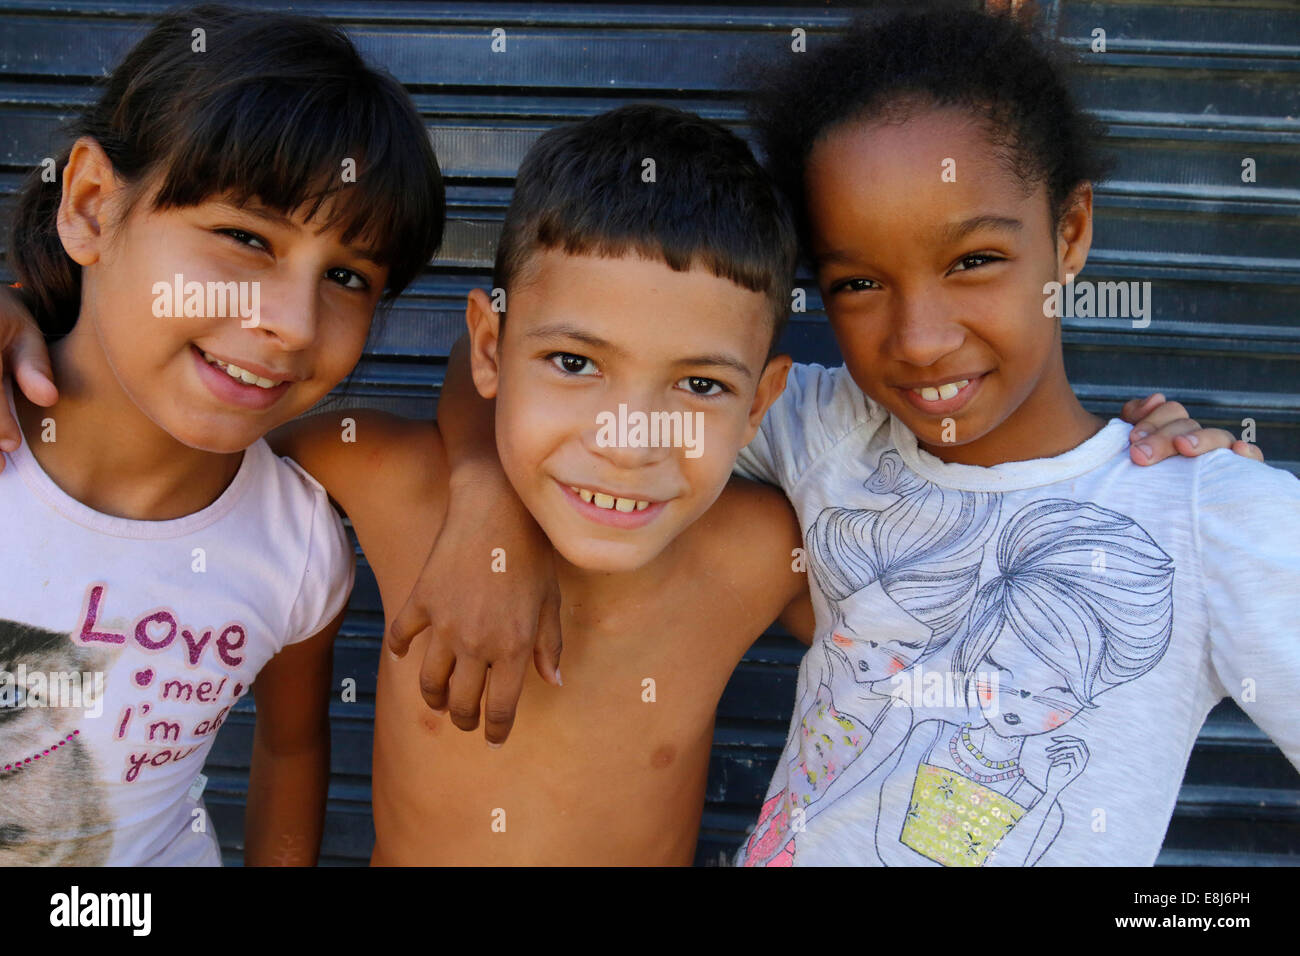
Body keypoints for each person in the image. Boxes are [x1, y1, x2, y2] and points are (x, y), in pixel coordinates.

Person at [0, 4, 444, 864]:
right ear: (91, 204)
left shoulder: (299, 545)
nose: (291, 322)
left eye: (348, 276)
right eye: (244, 237)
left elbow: (291, 747)